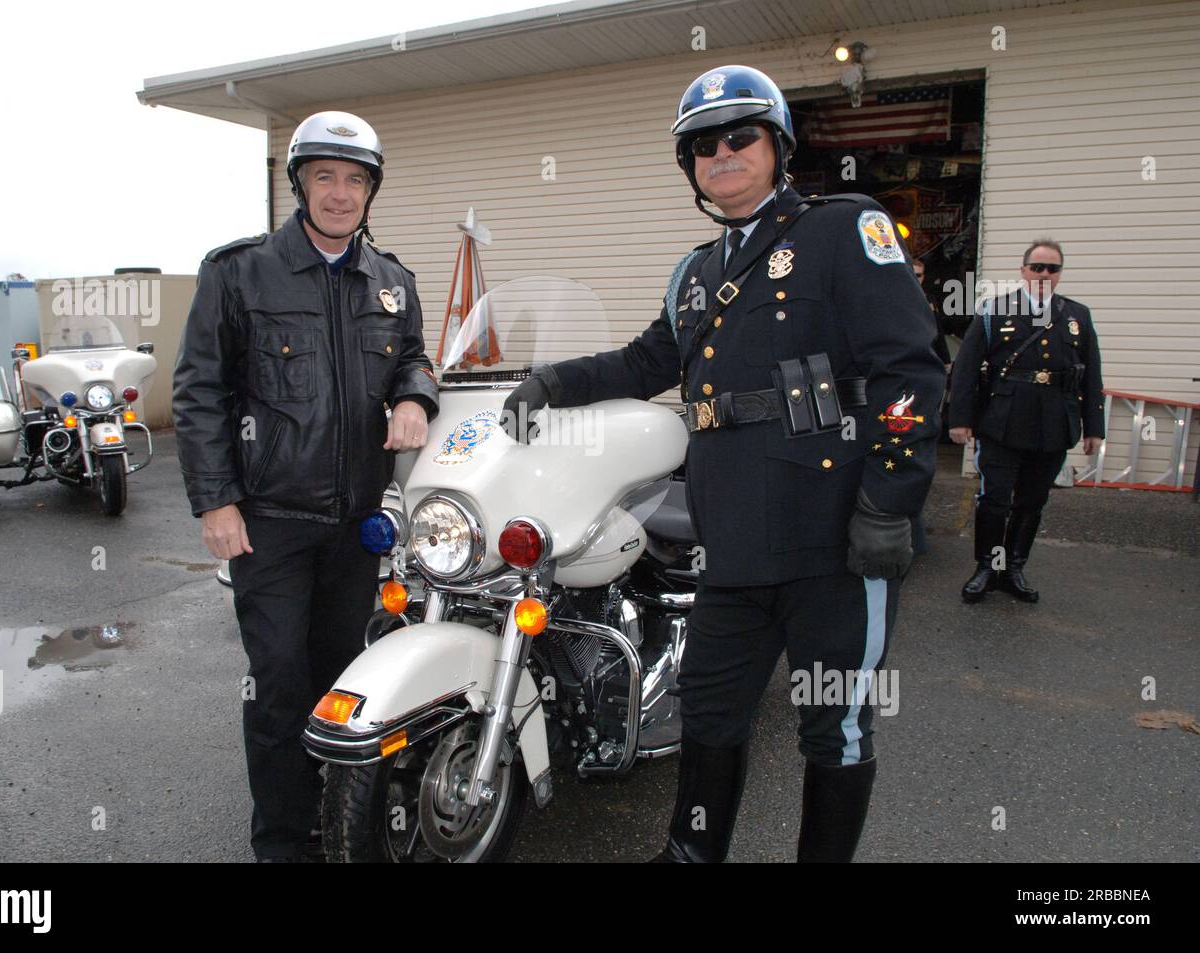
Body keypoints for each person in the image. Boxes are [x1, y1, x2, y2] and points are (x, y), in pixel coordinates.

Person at [503, 65, 942, 862]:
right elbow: (643, 362)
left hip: (834, 539)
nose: (723, 152)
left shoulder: (844, 230)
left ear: (778, 146)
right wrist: (549, 382)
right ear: (691, 166)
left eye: (742, 135)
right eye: (704, 144)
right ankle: (691, 853)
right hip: (732, 546)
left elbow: (910, 371)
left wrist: (890, 500)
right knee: (709, 712)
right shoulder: (697, 276)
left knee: (833, 725)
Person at [171, 111, 438, 861]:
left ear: (371, 191)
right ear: (300, 184)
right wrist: (216, 501)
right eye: (325, 176)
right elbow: (197, 392)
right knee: (279, 683)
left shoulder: (390, 281)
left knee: (342, 681)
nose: (340, 193)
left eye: (355, 180)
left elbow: (414, 357)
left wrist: (415, 394)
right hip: (271, 522)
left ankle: (334, 813)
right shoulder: (240, 272)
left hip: (357, 524)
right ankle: (282, 840)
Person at [949, 239, 1103, 604]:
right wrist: (959, 419)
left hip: (1053, 424)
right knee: (995, 499)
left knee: (1032, 501)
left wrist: (1094, 426)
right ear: (1023, 271)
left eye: (1052, 269)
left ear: (1060, 274)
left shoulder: (1077, 315)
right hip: (1003, 421)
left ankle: (1014, 567)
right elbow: (967, 369)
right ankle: (987, 567)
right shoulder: (994, 311)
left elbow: (1092, 373)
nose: (1044, 275)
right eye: (1037, 267)